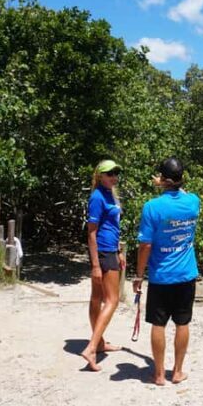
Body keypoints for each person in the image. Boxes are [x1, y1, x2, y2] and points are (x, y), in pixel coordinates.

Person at [134, 157, 200, 386]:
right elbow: (183, 192)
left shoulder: (152, 207)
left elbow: (146, 245)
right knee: (182, 323)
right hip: (186, 274)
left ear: (161, 179)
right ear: (182, 179)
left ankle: (160, 374)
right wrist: (168, 184)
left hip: (161, 275)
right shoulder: (193, 201)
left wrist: (138, 275)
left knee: (158, 324)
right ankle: (178, 372)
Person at [81, 159, 126, 371]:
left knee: (98, 298)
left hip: (111, 250)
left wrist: (119, 250)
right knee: (112, 300)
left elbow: (113, 225)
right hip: (103, 251)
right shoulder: (97, 197)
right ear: (100, 175)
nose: (114, 177)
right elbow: (91, 232)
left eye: (116, 173)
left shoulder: (110, 194)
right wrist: (96, 265)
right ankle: (91, 347)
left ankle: (99, 343)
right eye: (110, 174)